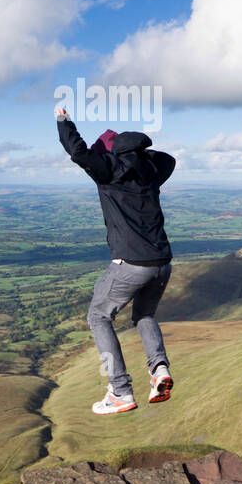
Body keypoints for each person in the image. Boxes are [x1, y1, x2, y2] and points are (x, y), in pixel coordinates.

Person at [55, 105, 176, 415]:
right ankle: (159, 369)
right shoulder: (149, 174)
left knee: (98, 317)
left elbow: (78, 152)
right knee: (145, 316)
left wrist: (64, 121)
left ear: (109, 156)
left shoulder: (109, 172)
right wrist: (137, 150)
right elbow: (168, 159)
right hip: (162, 263)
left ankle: (120, 391)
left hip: (131, 264)